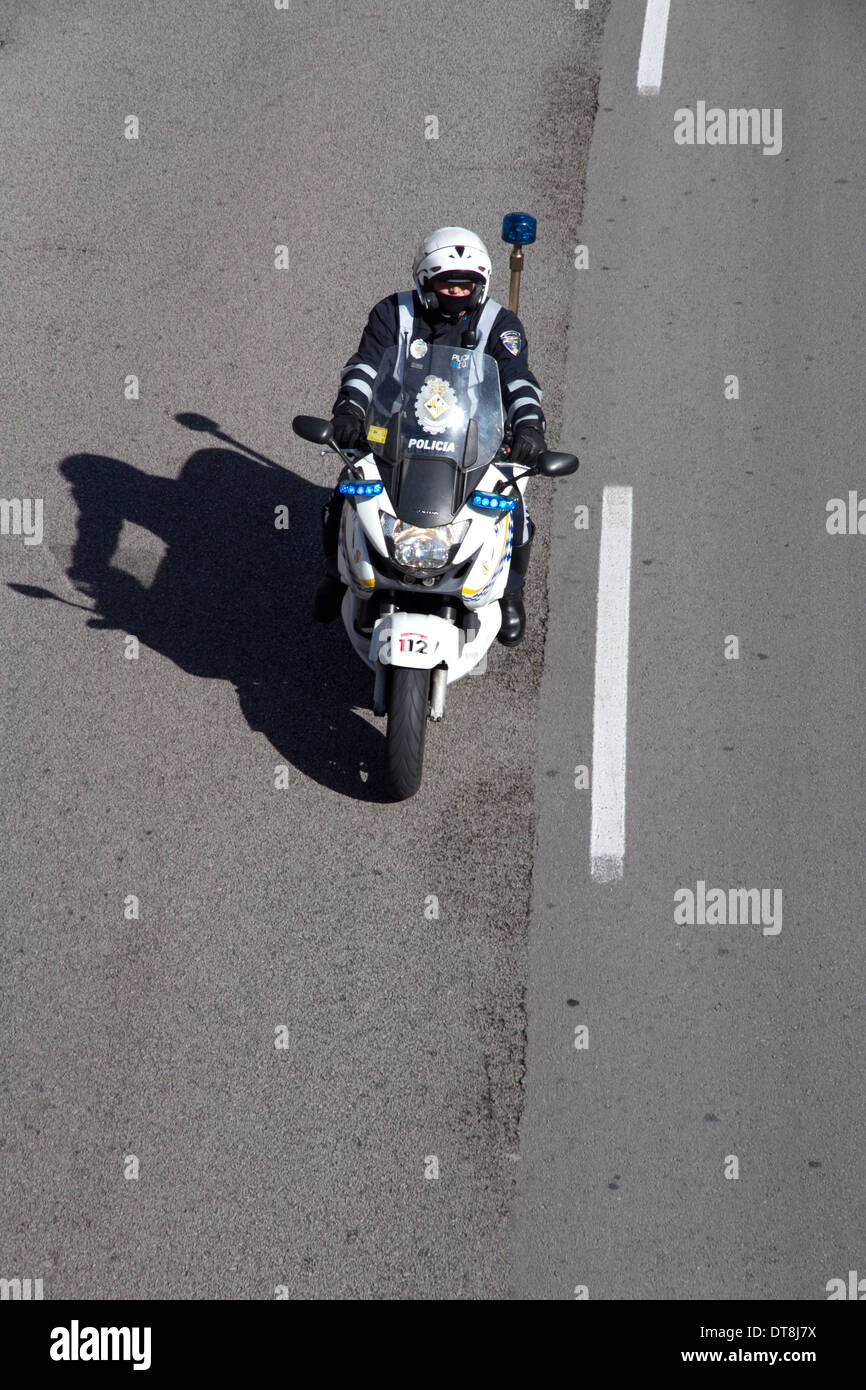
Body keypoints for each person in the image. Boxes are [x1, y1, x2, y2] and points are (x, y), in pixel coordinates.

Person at [312, 226, 546, 644]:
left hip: (474, 433)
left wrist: (529, 426)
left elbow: (517, 380)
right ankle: (336, 571)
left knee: (515, 506)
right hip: (396, 427)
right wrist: (349, 410)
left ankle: (510, 589)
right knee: (346, 491)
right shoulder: (392, 313)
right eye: (447, 283)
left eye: (466, 285)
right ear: (424, 280)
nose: (457, 292)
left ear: (482, 284)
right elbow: (365, 366)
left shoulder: (500, 324)